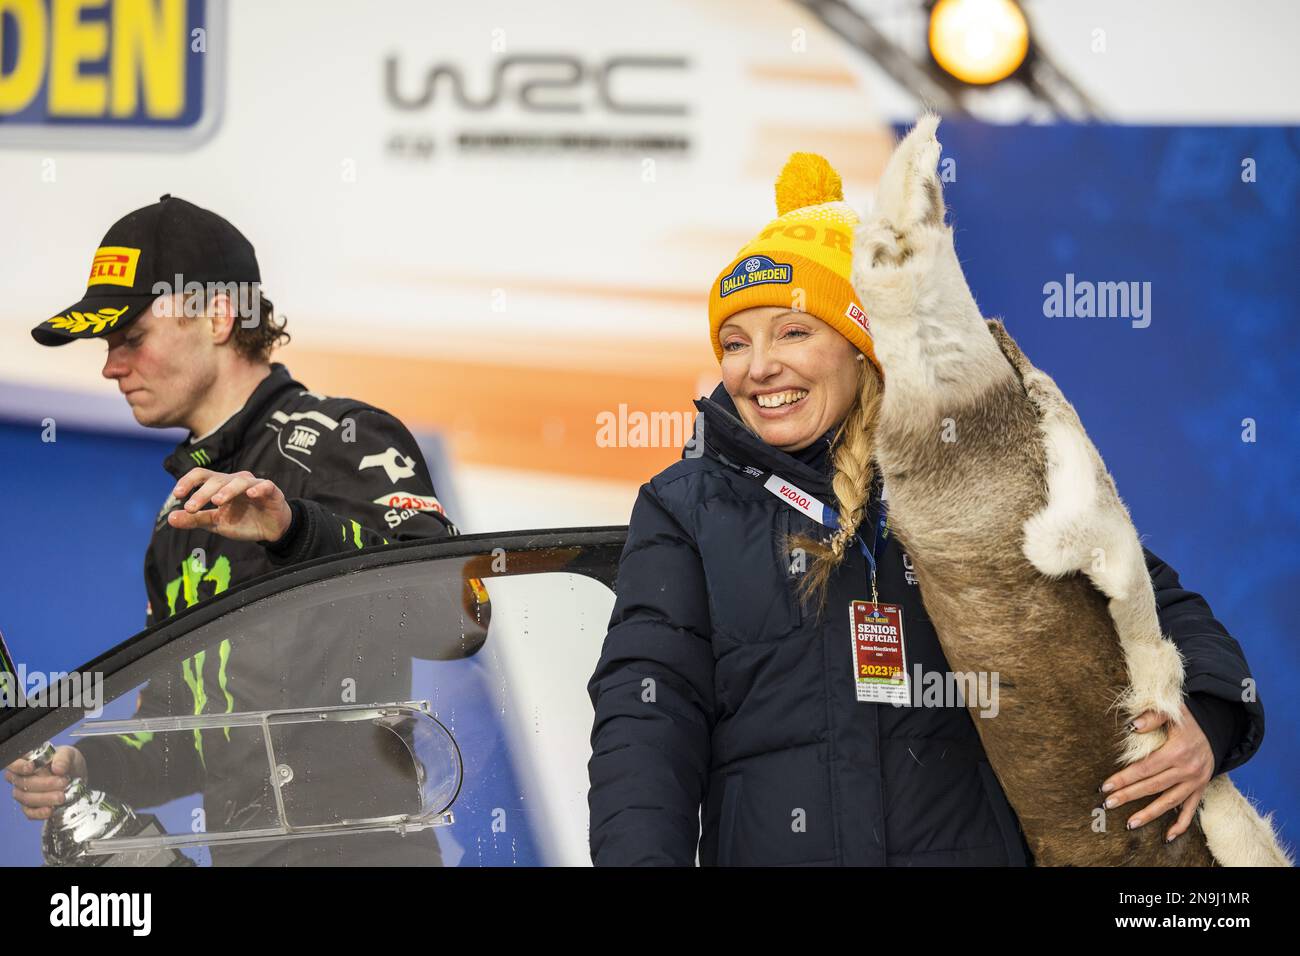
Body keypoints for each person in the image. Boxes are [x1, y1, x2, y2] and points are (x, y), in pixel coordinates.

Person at [586, 154, 1261, 866]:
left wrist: (1207, 722)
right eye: (734, 342)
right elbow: (647, 715)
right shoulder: (685, 505)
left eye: (792, 333)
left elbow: (1147, 598)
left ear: (861, 347)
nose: (757, 368)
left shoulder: (967, 477)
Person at [5, 195, 458, 865]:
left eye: (130, 337)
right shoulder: (180, 515)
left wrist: (296, 530)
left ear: (219, 315)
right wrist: (85, 763)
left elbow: (453, 617)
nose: (109, 366)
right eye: (106, 344)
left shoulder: (344, 439)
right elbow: (186, 740)